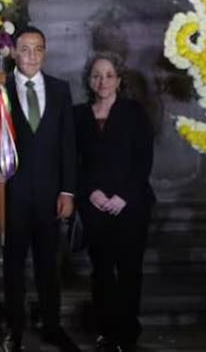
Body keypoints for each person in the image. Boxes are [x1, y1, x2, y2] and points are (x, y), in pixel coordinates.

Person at [0, 27, 79, 352]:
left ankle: (52, 325)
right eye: (25, 49)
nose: (32, 55)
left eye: (38, 49)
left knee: (49, 265)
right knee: (13, 267)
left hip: (51, 196)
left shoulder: (61, 90)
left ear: (44, 53)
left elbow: (67, 145)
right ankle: (15, 328)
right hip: (13, 196)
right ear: (14, 53)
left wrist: (67, 191)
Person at [75, 52, 154, 352]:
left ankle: (127, 333)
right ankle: (106, 331)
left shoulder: (134, 112)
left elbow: (143, 159)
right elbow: (73, 162)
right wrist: (89, 191)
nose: (102, 81)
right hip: (95, 207)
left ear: (119, 80)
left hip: (130, 206)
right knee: (102, 271)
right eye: (97, 75)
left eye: (109, 75)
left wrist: (124, 196)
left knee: (130, 270)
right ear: (89, 81)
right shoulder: (78, 115)